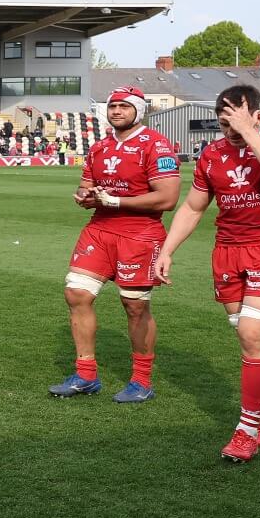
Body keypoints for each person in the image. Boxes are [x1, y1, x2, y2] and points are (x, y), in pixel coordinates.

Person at [153, 86, 260, 462]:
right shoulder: (212, 153)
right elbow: (193, 207)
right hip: (228, 253)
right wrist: (167, 250)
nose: (229, 132)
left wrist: (249, 132)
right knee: (248, 341)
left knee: (253, 335)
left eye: (236, 122)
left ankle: (247, 429)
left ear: (258, 114)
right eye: (224, 124)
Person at [49, 87, 183, 404]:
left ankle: (141, 380)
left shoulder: (157, 146)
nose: (117, 111)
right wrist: (85, 197)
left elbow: (168, 198)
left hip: (140, 233)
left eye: (124, 106)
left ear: (138, 110)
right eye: (112, 106)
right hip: (99, 229)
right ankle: (85, 375)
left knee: (135, 306)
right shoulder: (99, 148)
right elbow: (86, 188)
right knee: (76, 293)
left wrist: (117, 200)